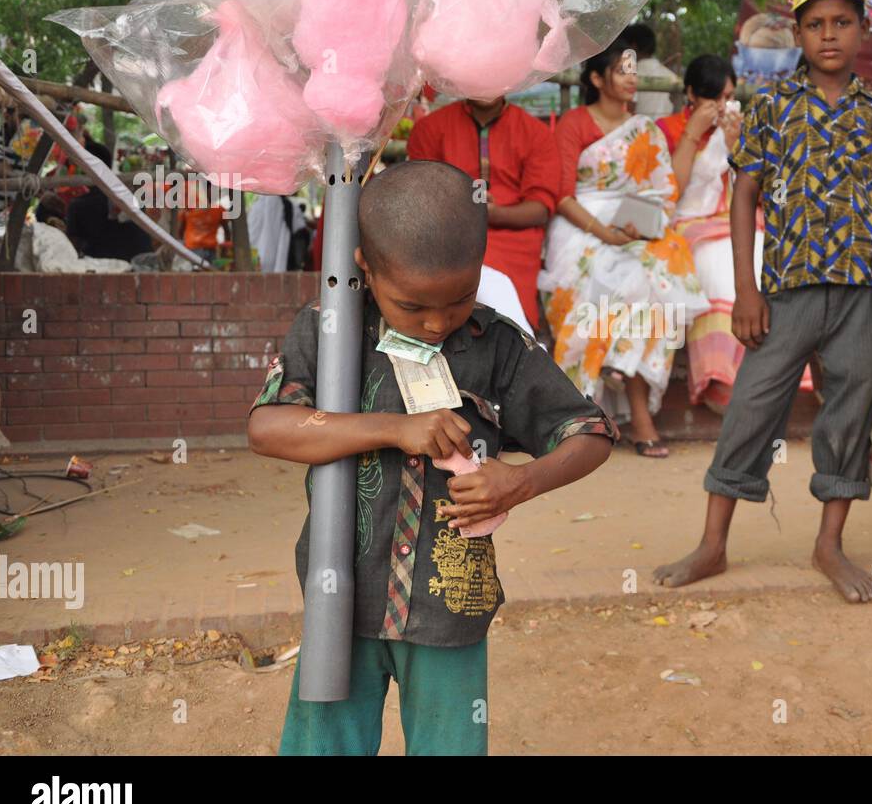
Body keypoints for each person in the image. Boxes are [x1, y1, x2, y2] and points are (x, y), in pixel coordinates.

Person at [247, 161, 617, 756]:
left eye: (459, 298)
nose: (439, 321)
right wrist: (395, 429)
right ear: (366, 265)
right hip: (341, 596)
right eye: (413, 306)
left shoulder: (496, 345)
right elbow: (269, 427)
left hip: (450, 605)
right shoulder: (329, 328)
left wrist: (519, 483)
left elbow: (592, 433)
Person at [653, 0, 872, 602]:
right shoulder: (774, 105)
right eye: (814, 23)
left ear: (863, 28)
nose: (828, 34)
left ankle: (829, 543)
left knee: (848, 413)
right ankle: (713, 544)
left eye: (841, 21)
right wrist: (747, 289)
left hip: (864, 288)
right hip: (787, 290)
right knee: (751, 405)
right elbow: (745, 194)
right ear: (798, 31)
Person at [540, 39, 709, 458]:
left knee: (663, 276)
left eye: (634, 70)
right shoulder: (574, 124)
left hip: (636, 226)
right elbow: (561, 195)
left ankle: (630, 386)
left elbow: (665, 192)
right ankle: (602, 407)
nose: (632, 78)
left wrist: (637, 225)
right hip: (582, 226)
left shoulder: (646, 130)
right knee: (618, 278)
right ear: (597, 78)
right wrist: (604, 231)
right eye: (622, 70)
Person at [405, 95, 561, 329]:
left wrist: (490, 213)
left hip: (513, 237)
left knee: (500, 310)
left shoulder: (535, 132)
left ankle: (515, 343)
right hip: (448, 234)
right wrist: (463, 209)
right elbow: (420, 196)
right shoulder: (430, 127)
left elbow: (539, 209)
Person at [656, 54, 752, 412]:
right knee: (717, 266)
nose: (723, 106)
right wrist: (693, 133)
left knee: (756, 258)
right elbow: (670, 193)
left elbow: (750, 189)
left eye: (729, 96)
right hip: (683, 224)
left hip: (731, 220)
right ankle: (718, 379)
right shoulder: (666, 129)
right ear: (692, 94)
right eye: (716, 98)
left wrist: (736, 146)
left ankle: (754, 382)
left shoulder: (735, 129)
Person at [64, 138, 153, 262]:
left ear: (84, 167)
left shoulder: (78, 206)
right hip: (142, 264)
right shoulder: (131, 197)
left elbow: (71, 249)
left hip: (103, 270)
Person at [620, 22, 677, 120]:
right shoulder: (672, 76)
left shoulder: (630, 76)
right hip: (667, 132)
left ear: (633, 47)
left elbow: (629, 111)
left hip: (638, 132)